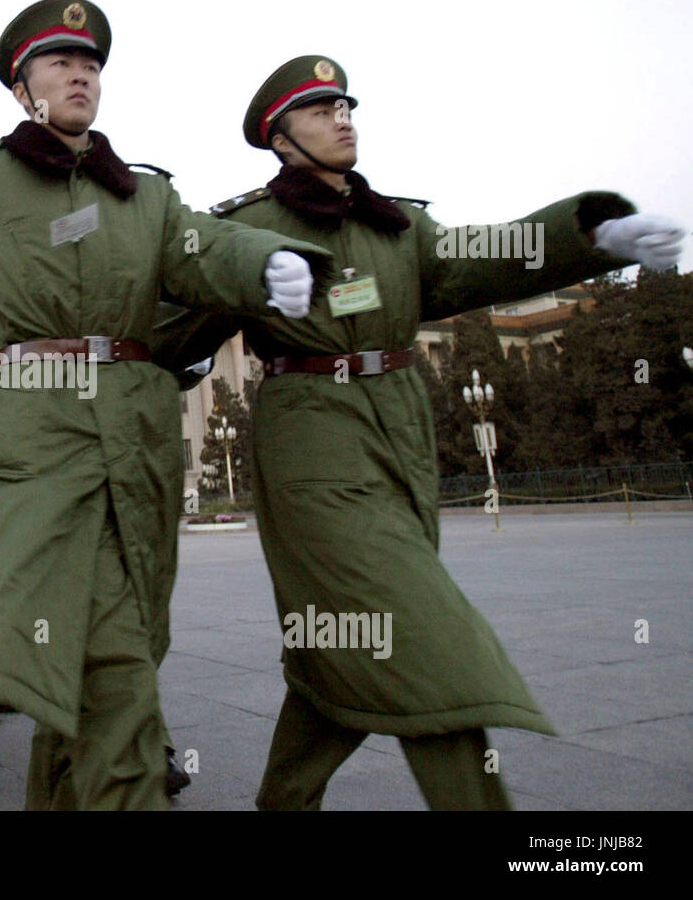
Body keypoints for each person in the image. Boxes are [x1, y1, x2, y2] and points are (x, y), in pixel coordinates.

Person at [0, 0, 326, 810]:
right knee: (108, 658)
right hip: (35, 445)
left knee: (125, 641)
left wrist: (265, 261)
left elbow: (203, 248)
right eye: (59, 62)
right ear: (23, 89)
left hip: (138, 442)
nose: (80, 73)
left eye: (90, 62)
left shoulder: (145, 197)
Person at [176, 54, 686, 809]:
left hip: (399, 436)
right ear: (279, 138)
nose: (342, 117)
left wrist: (596, 235)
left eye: (346, 104)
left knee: (345, 638)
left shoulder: (398, 224)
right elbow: (171, 316)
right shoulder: (249, 226)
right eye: (319, 110)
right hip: (312, 445)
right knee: (423, 642)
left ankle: (285, 799)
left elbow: (481, 257)